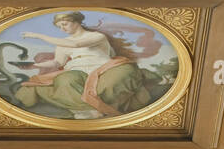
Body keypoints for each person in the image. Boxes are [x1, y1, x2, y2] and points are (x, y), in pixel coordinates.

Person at [15, 11, 154, 119]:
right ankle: (91, 109)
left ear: (76, 22)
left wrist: (39, 36)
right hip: (77, 71)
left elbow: (75, 44)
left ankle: (89, 108)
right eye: (59, 27)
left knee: (119, 77)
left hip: (104, 68)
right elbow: (57, 62)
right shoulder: (63, 43)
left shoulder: (96, 36)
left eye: (65, 24)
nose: (62, 29)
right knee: (64, 80)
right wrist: (35, 65)